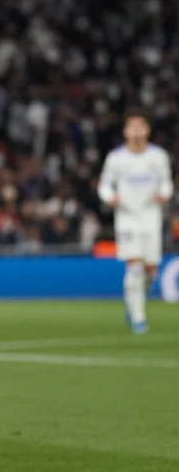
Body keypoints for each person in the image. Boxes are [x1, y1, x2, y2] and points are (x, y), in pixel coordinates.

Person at [97, 109, 174, 334]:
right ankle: (138, 317)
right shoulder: (116, 158)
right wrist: (112, 198)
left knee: (151, 271)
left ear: (148, 130)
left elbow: (166, 182)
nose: (136, 130)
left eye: (141, 126)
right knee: (134, 267)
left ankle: (133, 301)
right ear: (125, 131)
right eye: (132, 126)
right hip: (127, 217)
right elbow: (104, 185)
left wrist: (164, 194)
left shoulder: (158, 156)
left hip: (151, 215)